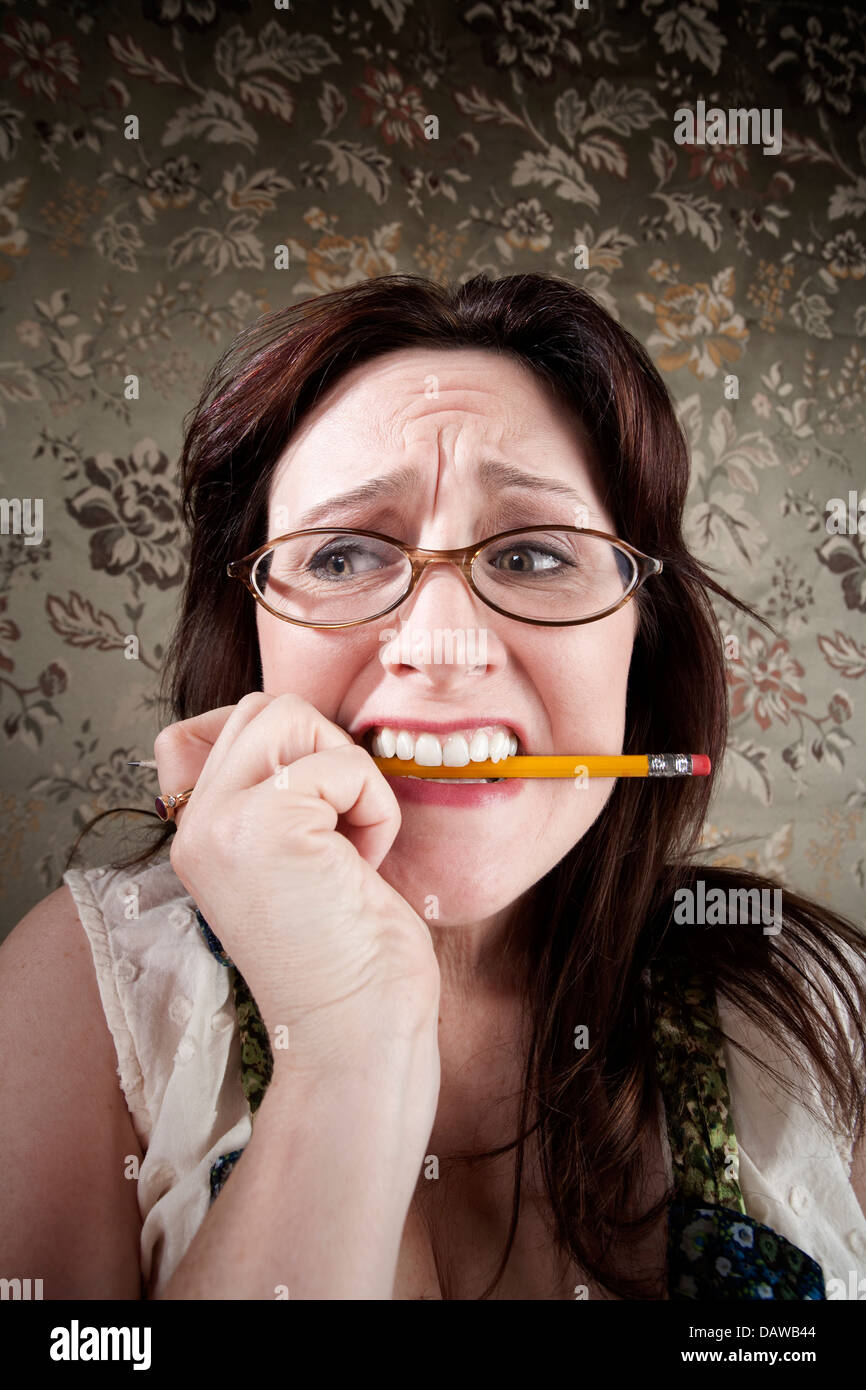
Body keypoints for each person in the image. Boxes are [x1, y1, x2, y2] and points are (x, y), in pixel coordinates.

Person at [1, 272, 864, 1302]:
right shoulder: (81, 993)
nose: (440, 647)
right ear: (253, 641)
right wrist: (341, 1047)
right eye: (343, 554)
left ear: (640, 642)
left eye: (536, 552)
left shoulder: (821, 1013)